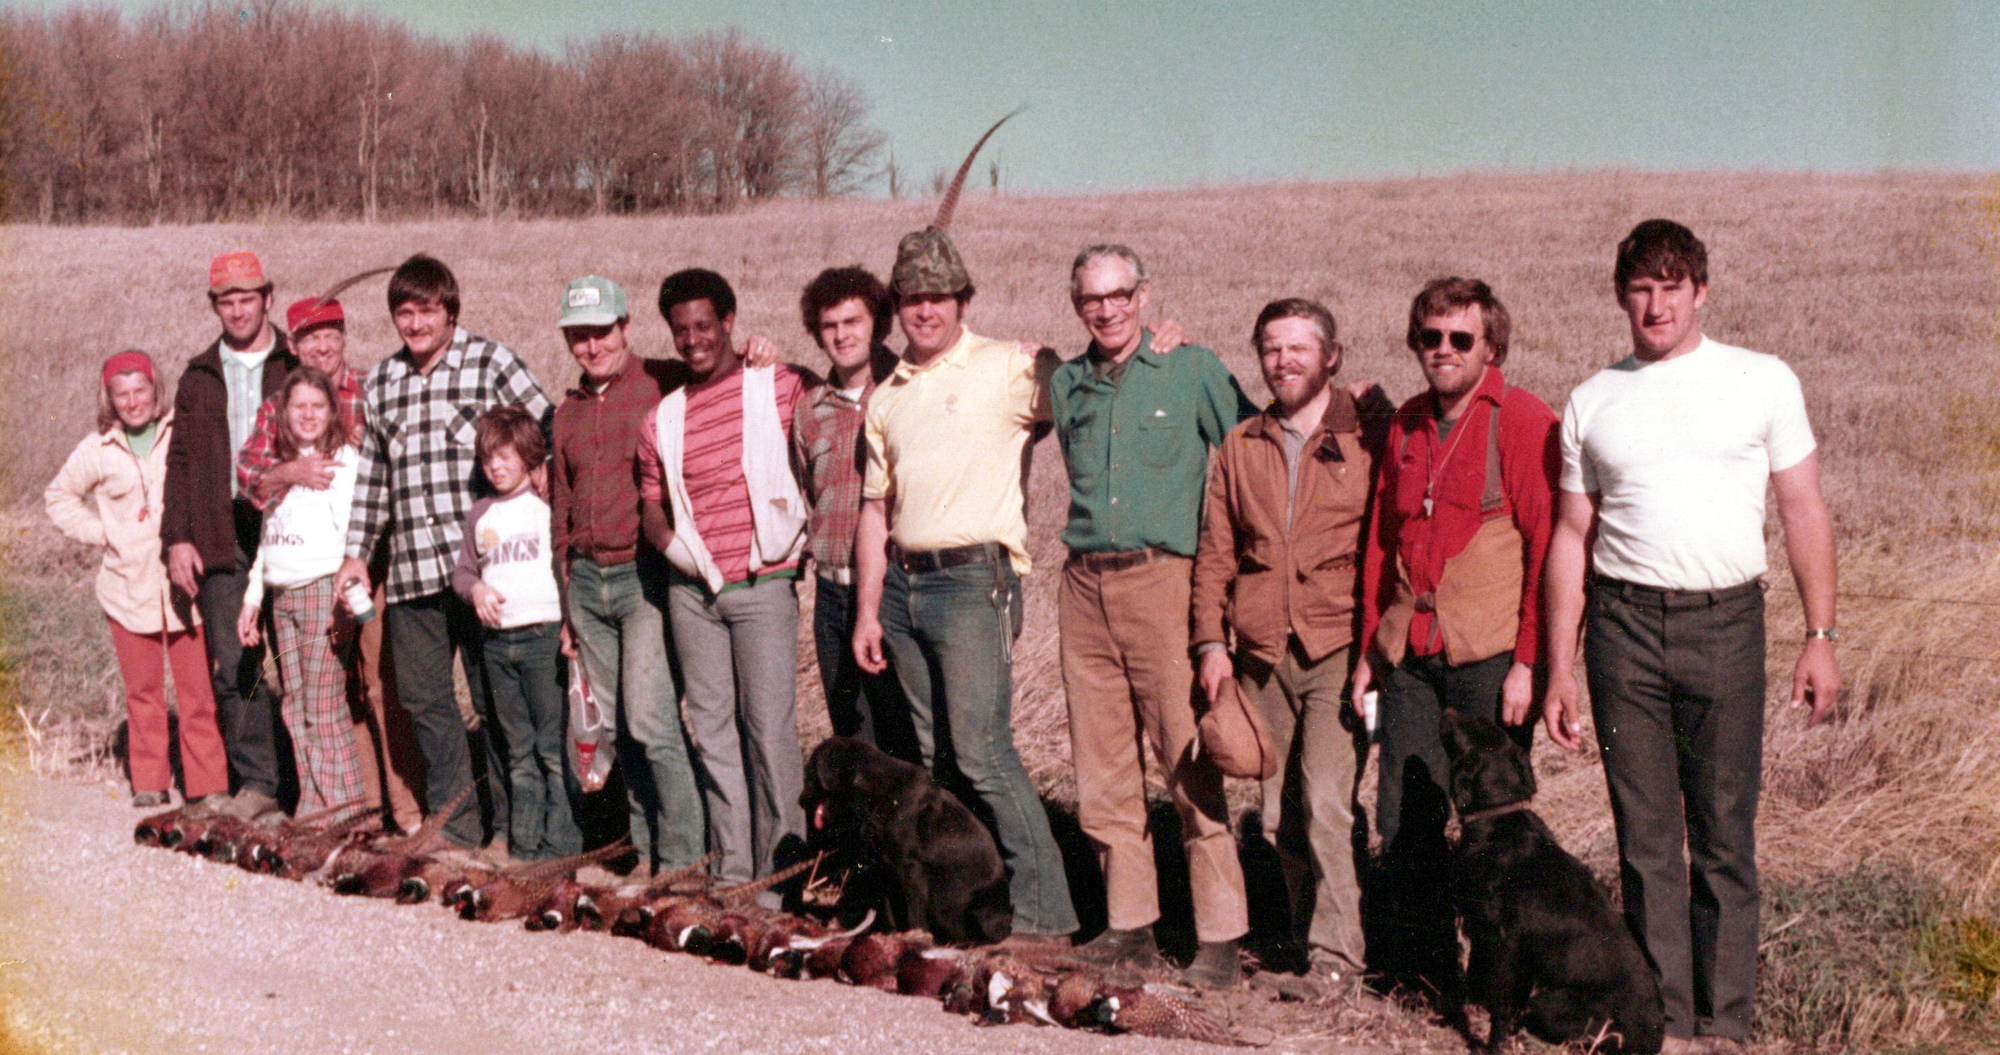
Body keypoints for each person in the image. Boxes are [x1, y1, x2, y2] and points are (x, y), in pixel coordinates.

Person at [1540, 220, 1840, 1052]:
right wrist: (1559, 664)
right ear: (1620, 297)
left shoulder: (1762, 380)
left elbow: (1803, 507)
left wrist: (1820, 634)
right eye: (1641, 288)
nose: (1656, 304)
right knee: (1646, 843)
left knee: (1724, 833)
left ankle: (1728, 1025)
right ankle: (1665, 1026)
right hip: (1623, 630)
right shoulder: (1592, 399)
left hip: (1729, 624)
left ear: (1701, 290)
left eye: (1673, 286)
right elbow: (1572, 535)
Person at [851, 225, 1080, 941]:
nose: (926, 310)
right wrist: (866, 611)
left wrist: (1154, 342)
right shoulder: (887, 395)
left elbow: (1089, 387)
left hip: (974, 582)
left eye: (939, 297)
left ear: (963, 300)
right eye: (913, 297)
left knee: (982, 750)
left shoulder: (1009, 367)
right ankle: (964, 907)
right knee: (933, 755)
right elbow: (873, 508)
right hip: (904, 586)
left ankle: (1047, 917)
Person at [1049, 244, 1256, 985]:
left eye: (1118, 295)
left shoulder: (1190, 368)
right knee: (1101, 767)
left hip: (1164, 583)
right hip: (1082, 587)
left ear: (1143, 295)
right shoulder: (1066, 382)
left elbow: (1252, 453)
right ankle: (1129, 927)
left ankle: (1221, 938)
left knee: (1188, 757)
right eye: (1091, 299)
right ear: (1076, 304)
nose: (1106, 310)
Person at [1353, 277, 1559, 999]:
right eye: (1430, 338)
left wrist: (1529, 662)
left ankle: (1499, 980)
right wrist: (1368, 655)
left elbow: (1547, 551)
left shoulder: (1525, 420)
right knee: (1405, 817)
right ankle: (1421, 973)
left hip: (1492, 657)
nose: (1443, 351)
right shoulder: (1407, 424)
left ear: (1490, 345)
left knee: (1492, 830)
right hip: (1412, 655)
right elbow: (1383, 545)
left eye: (1459, 339)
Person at [1191, 298, 1387, 986]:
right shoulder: (1241, 445)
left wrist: (1377, 650)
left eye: (1300, 347)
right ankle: (1310, 943)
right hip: (1260, 654)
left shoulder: (1369, 436)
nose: (1284, 361)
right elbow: (1216, 552)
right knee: (1276, 813)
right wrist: (1210, 644)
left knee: (1328, 803)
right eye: (1272, 348)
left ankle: (1339, 962)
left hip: (1338, 647)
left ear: (1332, 356)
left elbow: (1387, 547)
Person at [337, 254, 553, 850]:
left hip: (485, 572)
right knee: (426, 701)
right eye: (403, 313)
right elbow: (372, 478)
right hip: (412, 574)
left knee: (494, 703)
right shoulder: (381, 382)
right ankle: (458, 829)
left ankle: (515, 832)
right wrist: (358, 553)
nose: (415, 324)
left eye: (426, 310)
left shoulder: (491, 362)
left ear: (450, 311)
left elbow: (546, 427)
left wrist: (542, 476)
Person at [637, 268, 812, 889]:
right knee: (713, 732)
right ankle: (733, 874)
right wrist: (669, 545)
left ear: (730, 324)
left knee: (768, 733)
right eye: (680, 330)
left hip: (763, 586)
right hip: (695, 593)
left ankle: (782, 877)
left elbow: (832, 411)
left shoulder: (778, 386)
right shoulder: (665, 416)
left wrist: (777, 357)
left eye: (704, 326)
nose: (693, 341)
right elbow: (652, 498)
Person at [238, 296, 423, 835]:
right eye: (309, 337)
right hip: (295, 576)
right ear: (292, 346)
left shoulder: (374, 388)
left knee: (374, 689)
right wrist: (288, 471)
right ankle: (340, 807)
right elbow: (253, 479)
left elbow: (381, 482)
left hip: (360, 568)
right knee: (320, 699)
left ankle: (400, 812)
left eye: (331, 334)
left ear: (344, 336)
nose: (322, 345)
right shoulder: (282, 408)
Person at [548, 275, 705, 874]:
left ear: (625, 328)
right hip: (588, 585)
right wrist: (567, 603)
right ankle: (645, 855)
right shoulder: (566, 412)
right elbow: (560, 512)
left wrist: (761, 354)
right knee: (616, 727)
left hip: (642, 581)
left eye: (601, 332)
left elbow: (724, 369)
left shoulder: (663, 383)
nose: (591, 347)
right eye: (579, 336)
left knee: (652, 721)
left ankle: (686, 860)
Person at [46, 351, 229, 811]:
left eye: (140, 390)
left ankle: (207, 785)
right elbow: (59, 497)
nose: (132, 402)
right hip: (126, 588)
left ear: (155, 389)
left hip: (185, 587)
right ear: (110, 399)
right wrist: (102, 533)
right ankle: (150, 780)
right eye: (121, 394)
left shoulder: (178, 432)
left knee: (197, 693)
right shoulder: (99, 448)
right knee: (143, 693)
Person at [161, 250, 296, 820]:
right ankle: (260, 785)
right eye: (226, 300)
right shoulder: (199, 376)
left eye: (248, 298)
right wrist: (177, 538)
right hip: (221, 529)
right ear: (215, 306)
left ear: (268, 298)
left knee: (301, 659)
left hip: (287, 526)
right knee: (234, 664)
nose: (238, 310)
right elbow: (181, 462)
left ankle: (317, 787)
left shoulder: (295, 364)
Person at [790, 266, 920, 764]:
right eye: (830, 326)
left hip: (892, 589)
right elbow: (810, 488)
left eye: (853, 321)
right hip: (831, 592)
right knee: (853, 734)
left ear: (879, 324)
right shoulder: (810, 410)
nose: (842, 335)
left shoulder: (908, 389)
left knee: (905, 732)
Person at [235, 366, 367, 823]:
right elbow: (268, 539)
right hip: (282, 594)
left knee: (324, 707)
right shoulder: (278, 468)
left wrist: (345, 592)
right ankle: (314, 808)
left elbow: (354, 534)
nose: (308, 415)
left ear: (332, 410)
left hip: (319, 591)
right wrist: (254, 598)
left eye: (317, 405)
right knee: (294, 704)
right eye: (298, 407)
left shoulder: (341, 459)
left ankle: (347, 813)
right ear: (283, 414)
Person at [454, 405, 582, 861]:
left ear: (530, 457)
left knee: (552, 748)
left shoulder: (547, 506)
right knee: (517, 750)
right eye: (489, 458)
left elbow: (567, 565)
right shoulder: (480, 515)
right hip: (497, 644)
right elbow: (463, 573)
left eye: (507, 456)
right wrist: (476, 589)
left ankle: (561, 845)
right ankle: (525, 848)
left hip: (543, 637)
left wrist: (570, 623)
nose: (497, 466)